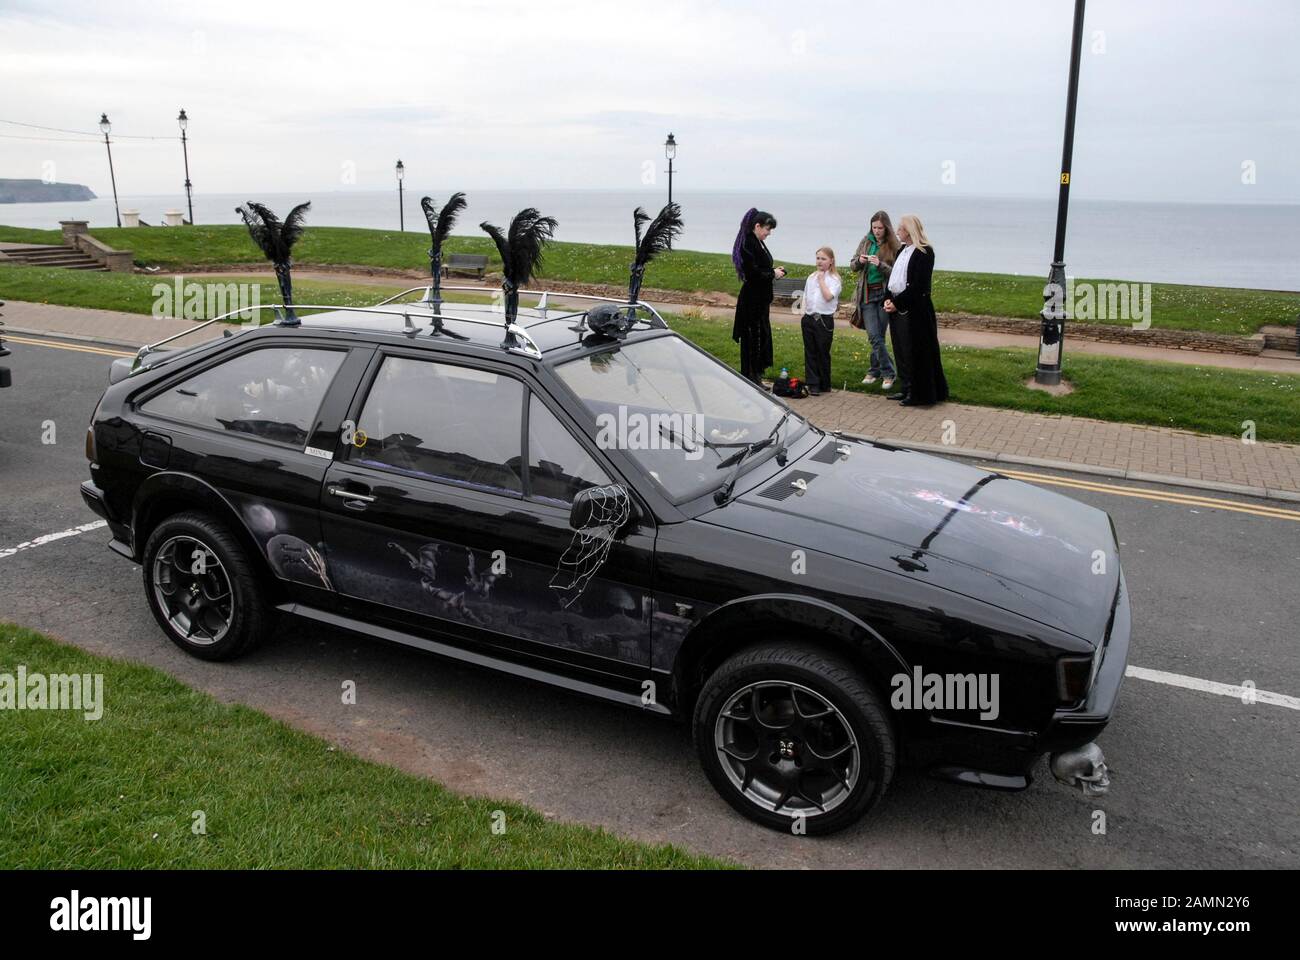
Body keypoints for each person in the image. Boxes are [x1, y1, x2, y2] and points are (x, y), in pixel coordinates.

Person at [883, 214, 948, 407]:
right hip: (897, 306)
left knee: (914, 351)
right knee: (900, 350)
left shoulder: (925, 252)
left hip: (915, 310)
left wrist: (898, 303)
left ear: (909, 231)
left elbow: (919, 285)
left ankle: (918, 392)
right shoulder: (901, 250)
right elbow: (895, 279)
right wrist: (888, 299)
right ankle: (906, 387)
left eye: (900, 229)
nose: (897, 232)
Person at [731, 209, 785, 386]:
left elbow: (761, 267)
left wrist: (773, 271)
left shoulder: (758, 242)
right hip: (751, 300)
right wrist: (772, 273)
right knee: (752, 339)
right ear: (757, 226)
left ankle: (757, 374)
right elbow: (752, 273)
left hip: (761, 300)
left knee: (761, 336)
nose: (769, 233)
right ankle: (750, 376)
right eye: (767, 229)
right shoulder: (748, 243)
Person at [850, 211, 900, 391]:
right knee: (873, 336)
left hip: (885, 295)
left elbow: (897, 273)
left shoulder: (894, 245)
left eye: (880, 228)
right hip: (867, 295)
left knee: (879, 336)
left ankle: (874, 371)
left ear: (886, 228)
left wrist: (880, 265)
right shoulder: (866, 241)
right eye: (874, 227)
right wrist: (860, 261)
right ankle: (889, 372)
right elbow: (853, 265)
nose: (877, 231)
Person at [800, 246, 841, 396]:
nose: (820, 261)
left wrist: (822, 280)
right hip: (810, 317)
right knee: (810, 351)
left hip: (824, 320)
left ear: (831, 261)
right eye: (818, 258)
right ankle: (813, 383)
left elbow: (828, 297)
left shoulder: (834, 280)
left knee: (822, 351)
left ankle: (824, 383)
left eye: (823, 259)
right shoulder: (811, 277)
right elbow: (806, 296)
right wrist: (804, 314)